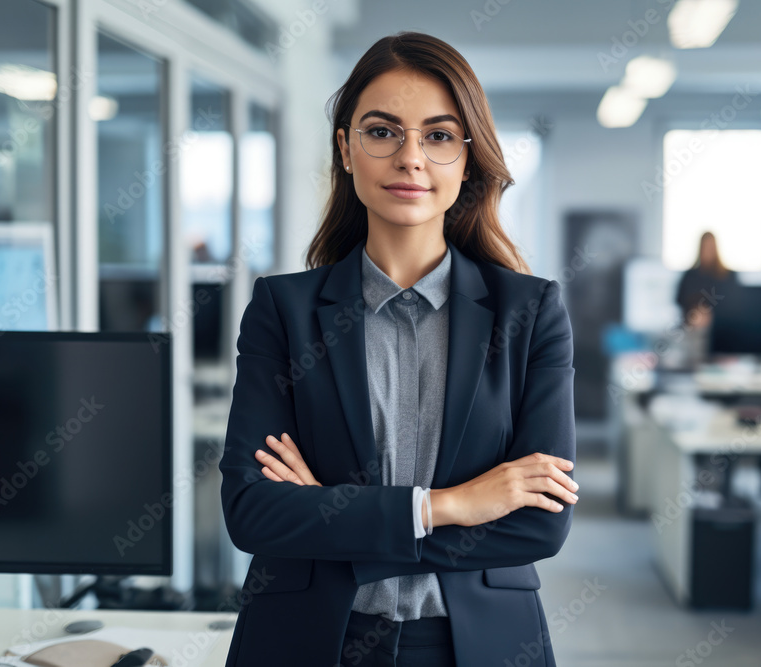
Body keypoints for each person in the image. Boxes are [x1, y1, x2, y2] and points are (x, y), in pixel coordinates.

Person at [219, 32, 577, 667]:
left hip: (479, 642)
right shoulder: (283, 309)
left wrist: (327, 517)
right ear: (346, 149)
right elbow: (253, 513)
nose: (410, 157)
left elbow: (538, 524)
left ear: (467, 160)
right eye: (383, 132)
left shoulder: (531, 313)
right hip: (308, 638)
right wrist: (450, 506)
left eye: (439, 136)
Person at [672, 231, 737, 367]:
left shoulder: (727, 276)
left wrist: (711, 316)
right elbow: (679, 299)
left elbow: (735, 304)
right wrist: (693, 313)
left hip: (721, 332)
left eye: (710, 247)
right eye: (704, 247)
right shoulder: (690, 275)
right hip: (692, 332)